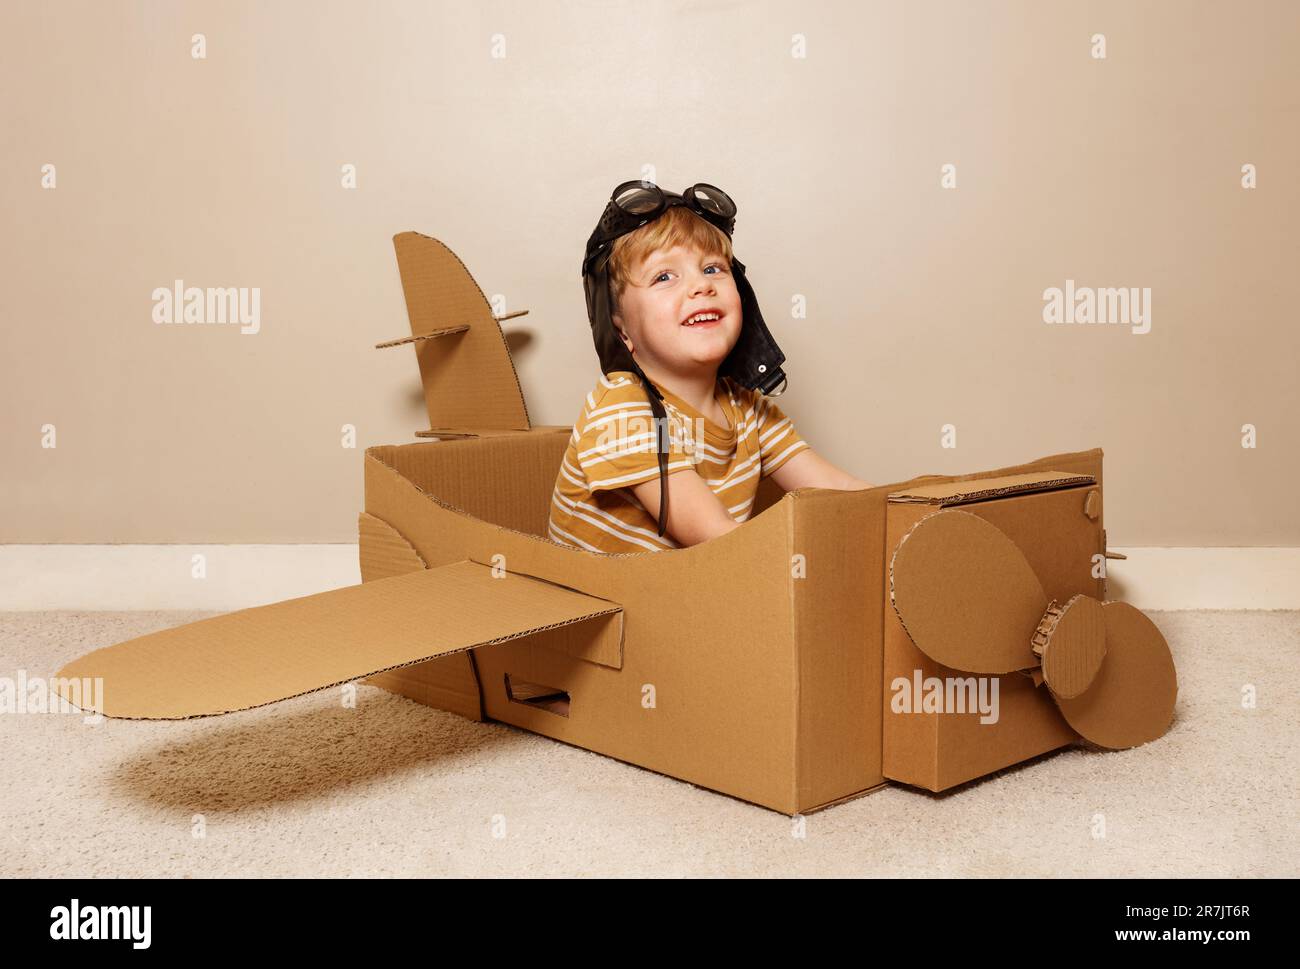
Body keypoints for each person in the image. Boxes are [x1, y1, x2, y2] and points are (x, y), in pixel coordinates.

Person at [547, 180, 872, 553]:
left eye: (713, 268)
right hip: (613, 601)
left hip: (693, 587)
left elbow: (845, 495)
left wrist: (911, 510)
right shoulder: (623, 413)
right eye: (664, 276)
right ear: (621, 332)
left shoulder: (748, 410)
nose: (701, 286)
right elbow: (717, 538)